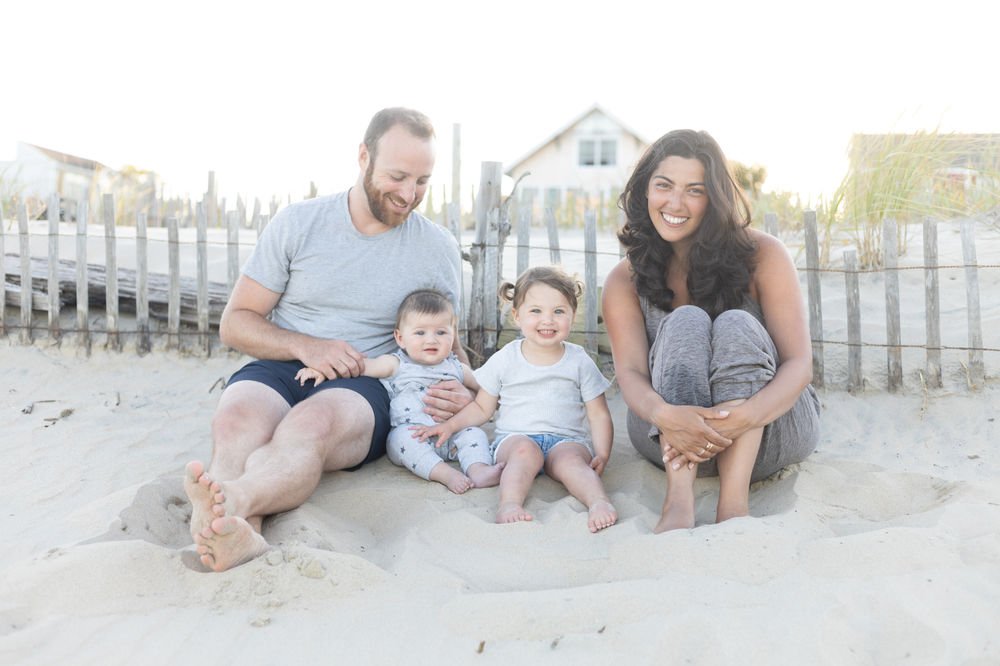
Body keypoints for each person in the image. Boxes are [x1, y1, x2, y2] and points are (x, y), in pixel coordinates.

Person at [184, 107, 472, 572]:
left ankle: (231, 501)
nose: (408, 195)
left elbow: (447, 341)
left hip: (365, 381)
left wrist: (462, 386)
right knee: (236, 421)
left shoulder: (437, 248)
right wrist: (307, 346)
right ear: (363, 156)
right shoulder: (299, 223)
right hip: (283, 362)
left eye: (422, 182)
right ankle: (238, 533)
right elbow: (235, 322)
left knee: (310, 426)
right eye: (398, 177)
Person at [602, 129, 820, 533]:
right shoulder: (623, 279)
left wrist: (744, 417)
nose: (675, 203)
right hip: (667, 433)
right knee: (684, 320)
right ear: (645, 189)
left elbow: (799, 365)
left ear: (715, 198)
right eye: (664, 185)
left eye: (694, 190)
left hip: (767, 430)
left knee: (737, 322)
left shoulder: (765, 254)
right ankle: (678, 501)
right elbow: (630, 374)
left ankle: (733, 505)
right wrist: (666, 415)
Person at [415, 266, 618, 533]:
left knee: (572, 463)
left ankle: (599, 502)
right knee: (524, 452)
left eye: (559, 311)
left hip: (566, 440)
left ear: (572, 314)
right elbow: (482, 408)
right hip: (515, 439)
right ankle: (510, 504)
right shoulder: (505, 359)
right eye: (536, 311)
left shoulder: (579, 360)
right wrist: (450, 426)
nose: (548, 320)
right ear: (516, 316)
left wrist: (603, 453)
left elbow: (598, 413)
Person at [294, 288, 504, 494]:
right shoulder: (396, 364)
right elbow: (358, 367)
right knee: (398, 440)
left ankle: (478, 469)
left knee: (474, 434)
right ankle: (445, 474)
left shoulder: (457, 368)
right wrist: (322, 370)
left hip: (450, 433)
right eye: (420, 332)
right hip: (413, 434)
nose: (431, 339)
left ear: (452, 334)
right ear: (400, 338)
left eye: (441, 332)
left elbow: (488, 388)